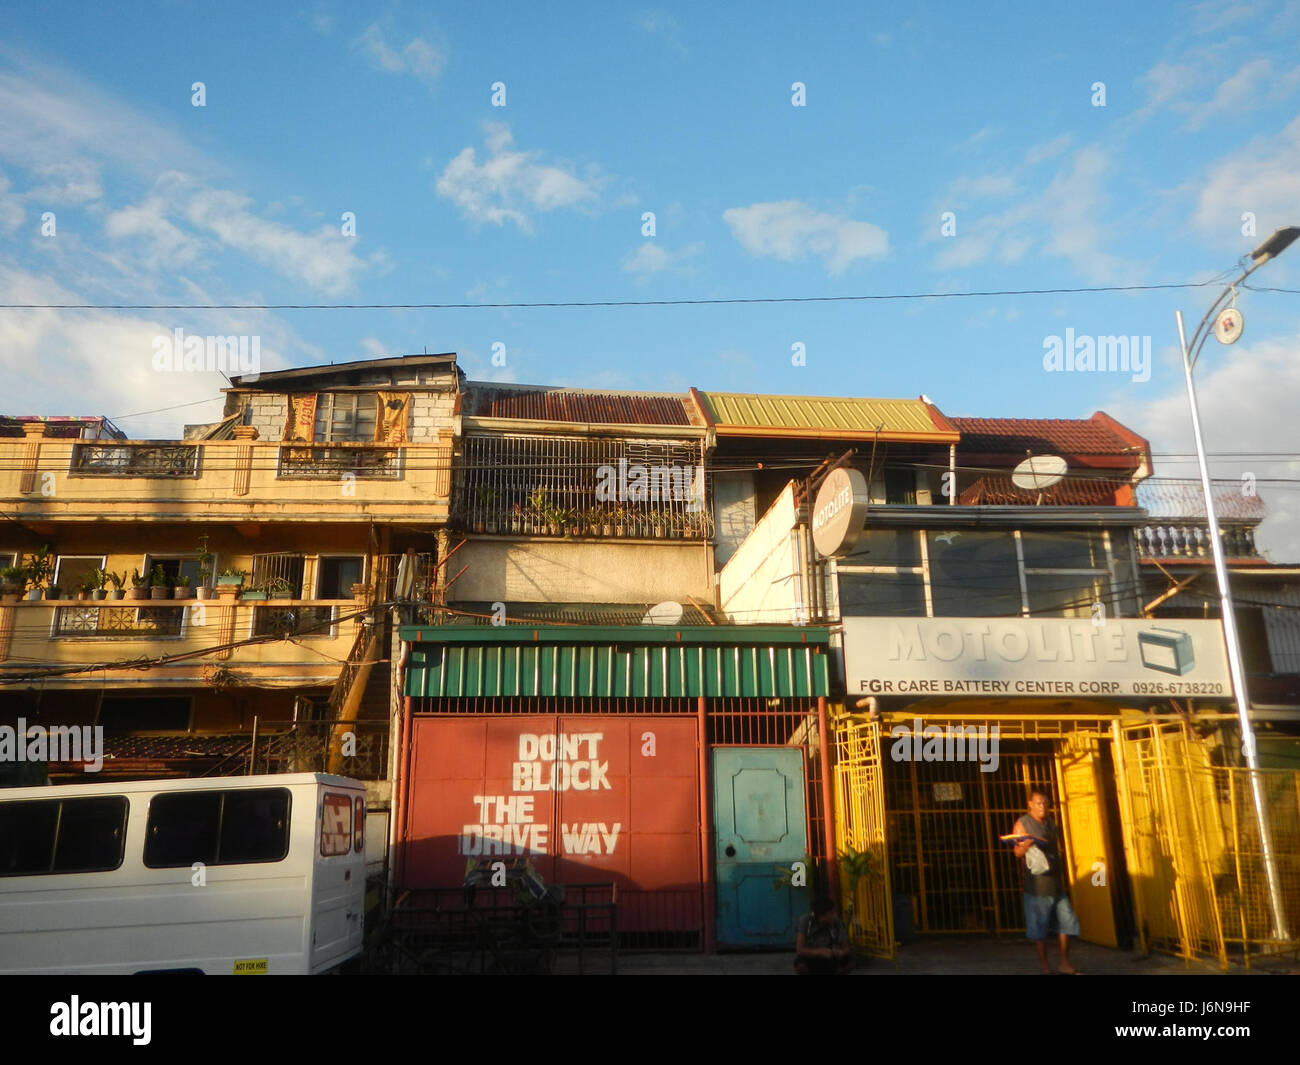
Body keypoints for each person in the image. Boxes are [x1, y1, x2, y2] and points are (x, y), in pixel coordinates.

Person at [1011, 789, 1081, 974]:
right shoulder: (1023, 823)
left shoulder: (1051, 823)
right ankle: (1045, 966)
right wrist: (1024, 846)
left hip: (1056, 883)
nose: (1042, 806)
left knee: (1067, 921)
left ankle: (1064, 962)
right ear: (1030, 804)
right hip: (1037, 886)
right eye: (1038, 803)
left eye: (1045, 803)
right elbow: (1017, 852)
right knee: (1039, 928)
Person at [794, 895, 853, 975]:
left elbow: (846, 948)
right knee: (800, 965)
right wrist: (818, 952)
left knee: (849, 963)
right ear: (821, 915)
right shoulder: (806, 921)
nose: (834, 916)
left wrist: (840, 952)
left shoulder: (836, 922)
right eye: (831, 913)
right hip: (812, 957)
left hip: (830, 957)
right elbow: (800, 950)